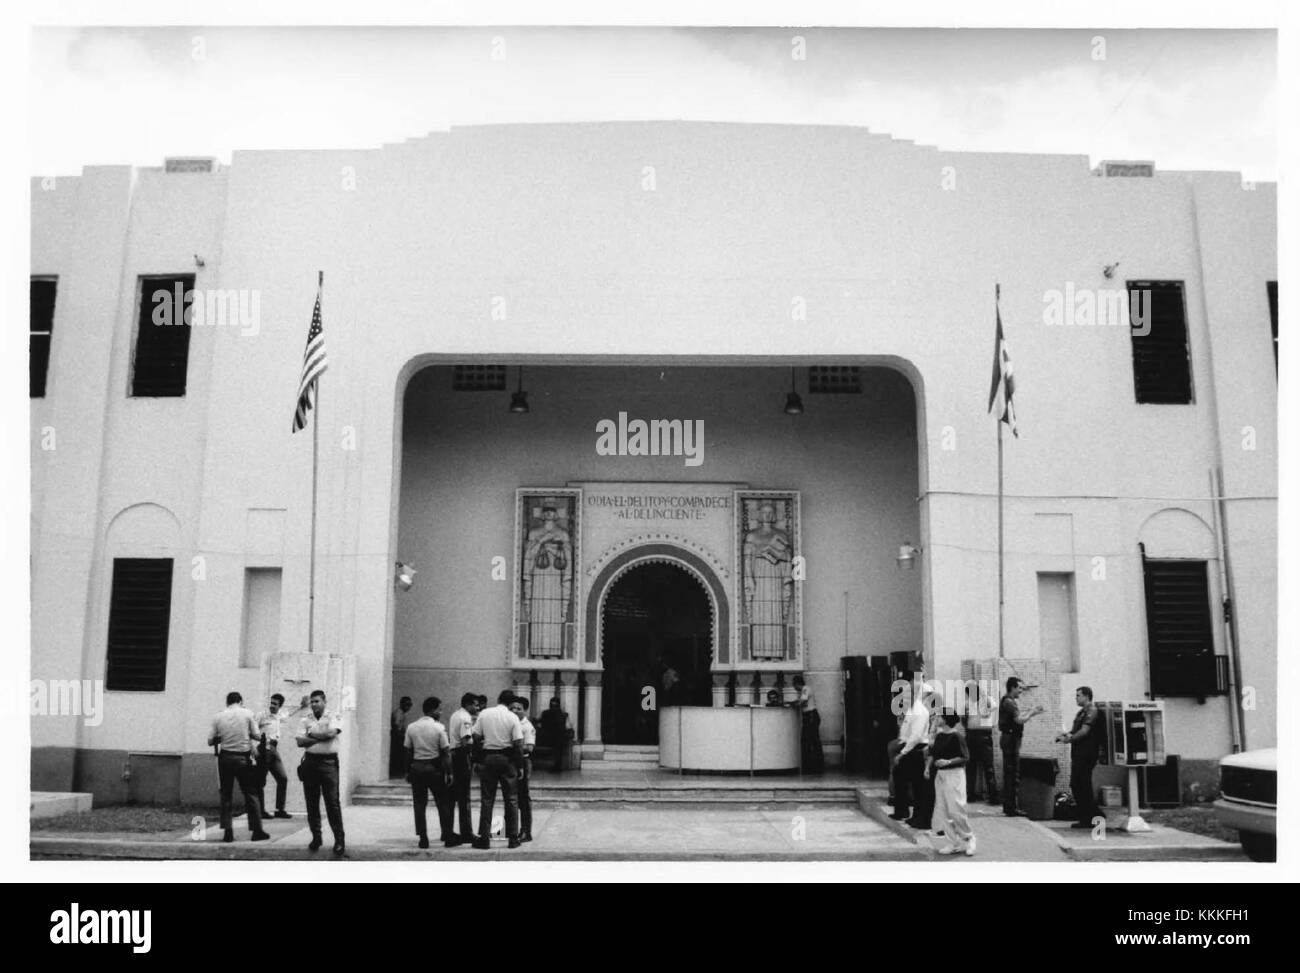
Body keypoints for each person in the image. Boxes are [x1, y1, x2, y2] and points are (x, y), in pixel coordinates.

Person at [208, 692, 270, 843]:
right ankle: (257, 830)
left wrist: (223, 736)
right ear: (241, 701)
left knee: (226, 794)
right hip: (243, 758)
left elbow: (210, 740)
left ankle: (228, 832)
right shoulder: (248, 713)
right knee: (251, 793)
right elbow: (256, 735)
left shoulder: (218, 716)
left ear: (227, 702)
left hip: (225, 758)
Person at [471, 690, 524, 849]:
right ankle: (513, 839)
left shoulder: (485, 714)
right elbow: (518, 743)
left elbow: (476, 737)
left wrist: (477, 759)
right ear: (510, 703)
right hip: (507, 759)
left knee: (487, 800)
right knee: (512, 800)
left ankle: (485, 839)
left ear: (499, 699)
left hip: (488, 758)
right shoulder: (512, 717)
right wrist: (519, 765)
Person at [405, 696, 460, 849]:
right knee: (442, 803)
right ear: (432, 710)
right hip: (434, 769)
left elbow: (408, 751)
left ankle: (423, 838)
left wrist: (407, 770)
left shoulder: (411, 727)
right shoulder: (439, 728)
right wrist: (449, 773)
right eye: (439, 709)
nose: (441, 712)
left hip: (417, 767)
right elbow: (446, 753)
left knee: (419, 805)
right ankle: (448, 835)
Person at [296, 689, 345, 855]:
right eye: (312, 702)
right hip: (310, 763)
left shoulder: (334, 716)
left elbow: (332, 733)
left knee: (332, 803)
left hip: (328, 764)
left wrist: (311, 735)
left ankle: (339, 840)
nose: (314, 704)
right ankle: (316, 837)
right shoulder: (305, 719)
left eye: (317, 701)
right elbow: (300, 742)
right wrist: (320, 737)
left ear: (324, 701)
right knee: (312, 802)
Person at [927, 710, 976, 856]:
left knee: (956, 809)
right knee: (943, 809)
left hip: (955, 775)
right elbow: (932, 753)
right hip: (940, 775)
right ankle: (952, 842)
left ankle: (968, 837)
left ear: (946, 719)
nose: (937, 718)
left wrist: (948, 761)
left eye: (940, 716)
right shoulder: (940, 735)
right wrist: (927, 768)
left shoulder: (957, 736)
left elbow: (965, 757)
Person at [1056, 686, 1103, 830]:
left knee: (1081, 784)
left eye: (1078, 695)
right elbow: (1076, 730)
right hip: (1079, 753)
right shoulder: (1081, 712)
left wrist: (1070, 739)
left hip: (1087, 754)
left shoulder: (1092, 711)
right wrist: (1065, 735)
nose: (1076, 698)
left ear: (1087, 696)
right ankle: (1092, 815)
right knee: (1079, 784)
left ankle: (1089, 817)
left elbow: (1084, 731)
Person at [998, 677, 1044, 817]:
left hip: (1009, 738)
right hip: (1011, 739)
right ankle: (1012, 807)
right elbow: (1019, 720)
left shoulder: (1008, 702)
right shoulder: (1009, 702)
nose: (1021, 691)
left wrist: (1029, 711)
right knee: (1013, 773)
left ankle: (1009, 805)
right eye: (1019, 688)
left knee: (1010, 772)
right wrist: (1033, 712)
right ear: (1012, 688)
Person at [891, 680, 933, 828]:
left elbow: (915, 736)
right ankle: (904, 812)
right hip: (908, 748)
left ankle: (919, 817)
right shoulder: (911, 709)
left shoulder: (920, 711)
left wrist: (902, 753)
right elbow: (906, 731)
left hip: (915, 749)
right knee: (902, 780)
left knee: (918, 786)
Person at [447, 692, 481, 843]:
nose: (477, 707)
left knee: (452, 797)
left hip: (453, 754)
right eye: (475, 704)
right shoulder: (466, 718)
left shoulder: (455, 715)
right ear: (468, 704)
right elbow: (466, 741)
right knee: (464, 797)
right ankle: (467, 832)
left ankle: (447, 831)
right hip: (462, 756)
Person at [255, 693, 293, 820]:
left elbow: (290, 713)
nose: (272, 706)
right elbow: (253, 729)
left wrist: (302, 705)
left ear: (280, 706)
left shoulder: (280, 715)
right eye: (271, 703)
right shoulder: (262, 715)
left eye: (275, 704)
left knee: (282, 778)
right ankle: (260, 810)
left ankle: (279, 809)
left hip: (274, 749)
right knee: (260, 781)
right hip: (264, 748)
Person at [510, 696, 536, 843]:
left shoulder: (527, 726)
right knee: (511, 798)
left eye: (518, 708)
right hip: (511, 762)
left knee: (523, 798)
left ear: (524, 711)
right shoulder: (510, 722)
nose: (515, 710)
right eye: (512, 708)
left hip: (523, 761)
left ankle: (526, 831)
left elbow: (530, 747)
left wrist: (515, 746)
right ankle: (507, 831)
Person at [792, 674, 824, 772]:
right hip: (810, 717)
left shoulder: (806, 689)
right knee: (811, 741)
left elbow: (802, 702)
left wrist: (794, 704)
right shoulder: (804, 691)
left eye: (794, 686)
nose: (794, 688)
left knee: (810, 741)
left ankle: (812, 766)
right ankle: (814, 765)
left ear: (797, 684)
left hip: (811, 717)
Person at [537, 696, 574, 770]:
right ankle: (557, 766)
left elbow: (538, 724)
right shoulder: (564, 715)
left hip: (545, 738)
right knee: (559, 742)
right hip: (559, 739)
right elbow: (569, 727)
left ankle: (555, 766)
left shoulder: (545, 713)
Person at [389, 696, 413, 779]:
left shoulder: (402, 713)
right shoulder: (399, 713)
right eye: (407, 704)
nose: (409, 707)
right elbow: (396, 727)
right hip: (397, 738)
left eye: (410, 705)